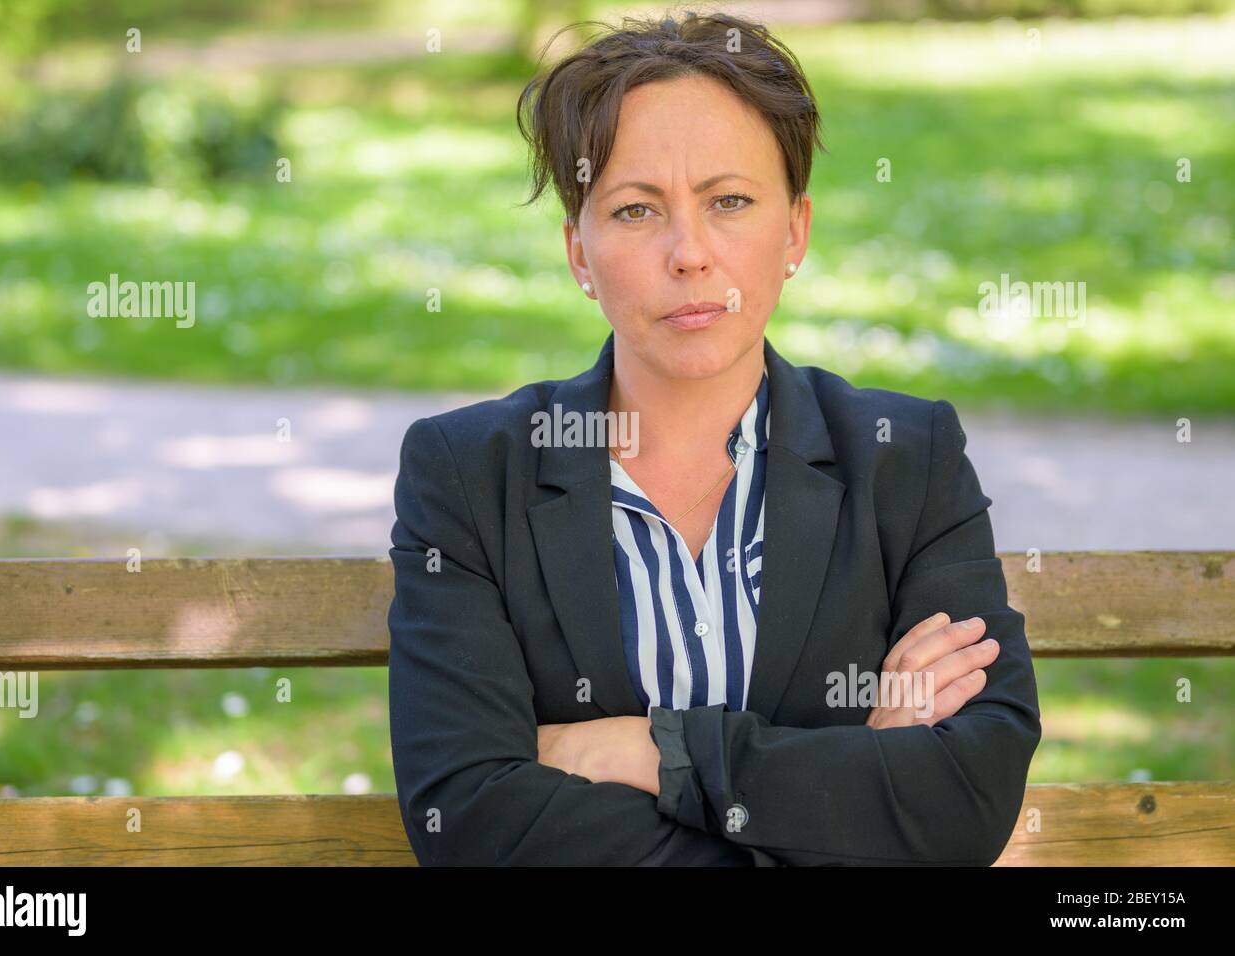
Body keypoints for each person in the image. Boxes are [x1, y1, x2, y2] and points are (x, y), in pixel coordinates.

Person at [387, 9, 1041, 866]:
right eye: (634, 211)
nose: (689, 253)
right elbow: (472, 820)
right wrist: (847, 794)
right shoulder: (469, 475)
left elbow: (963, 798)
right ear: (578, 253)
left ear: (796, 230)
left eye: (729, 201)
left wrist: (658, 753)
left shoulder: (905, 458)